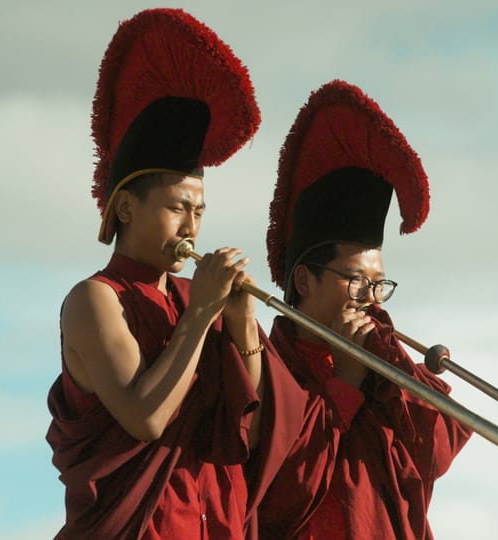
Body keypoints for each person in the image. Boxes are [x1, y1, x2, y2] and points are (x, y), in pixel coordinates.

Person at [46, 9, 303, 539]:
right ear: (125, 207)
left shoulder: (197, 296)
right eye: (176, 207)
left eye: (199, 211)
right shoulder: (95, 300)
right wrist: (202, 312)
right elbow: (145, 418)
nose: (191, 226)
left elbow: (250, 430)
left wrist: (240, 324)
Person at [259, 80, 474, 539]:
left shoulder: (388, 366)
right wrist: (345, 383)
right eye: (358, 281)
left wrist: (388, 363)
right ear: (305, 280)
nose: (372, 299)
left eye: (380, 285)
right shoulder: (267, 368)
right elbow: (277, 496)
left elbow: (435, 453)